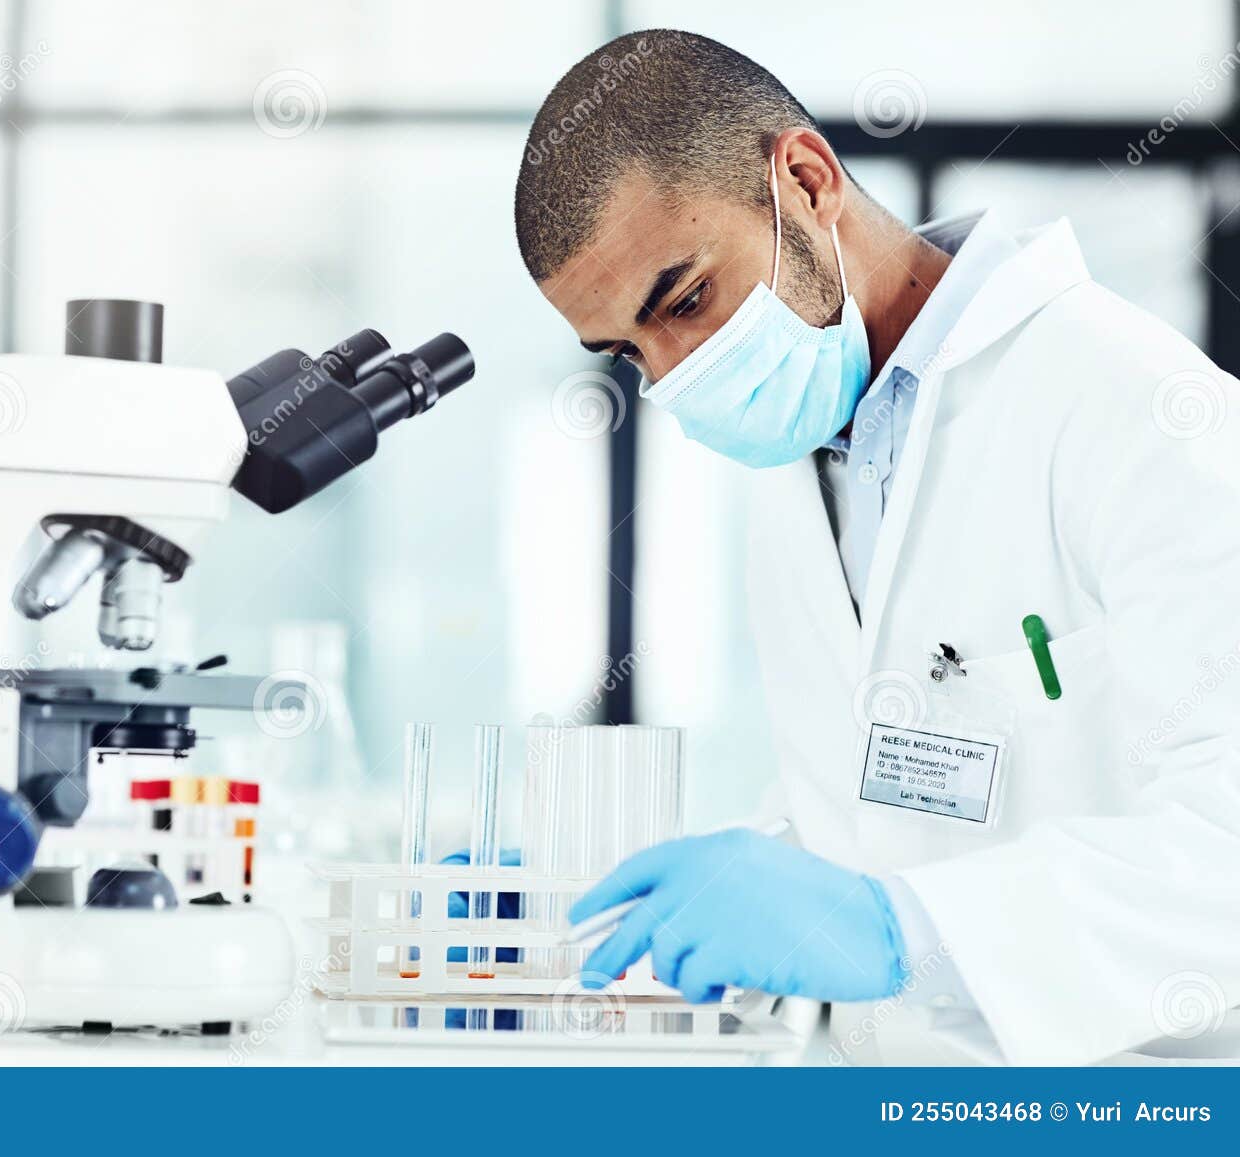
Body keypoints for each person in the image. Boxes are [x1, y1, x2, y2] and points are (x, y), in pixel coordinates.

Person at [519, 30, 1240, 1064]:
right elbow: (872, 825)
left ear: (806, 181)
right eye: (630, 350)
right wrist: (642, 893)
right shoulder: (805, 452)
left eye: (684, 301)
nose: (675, 375)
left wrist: (899, 930)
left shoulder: (1140, 413)